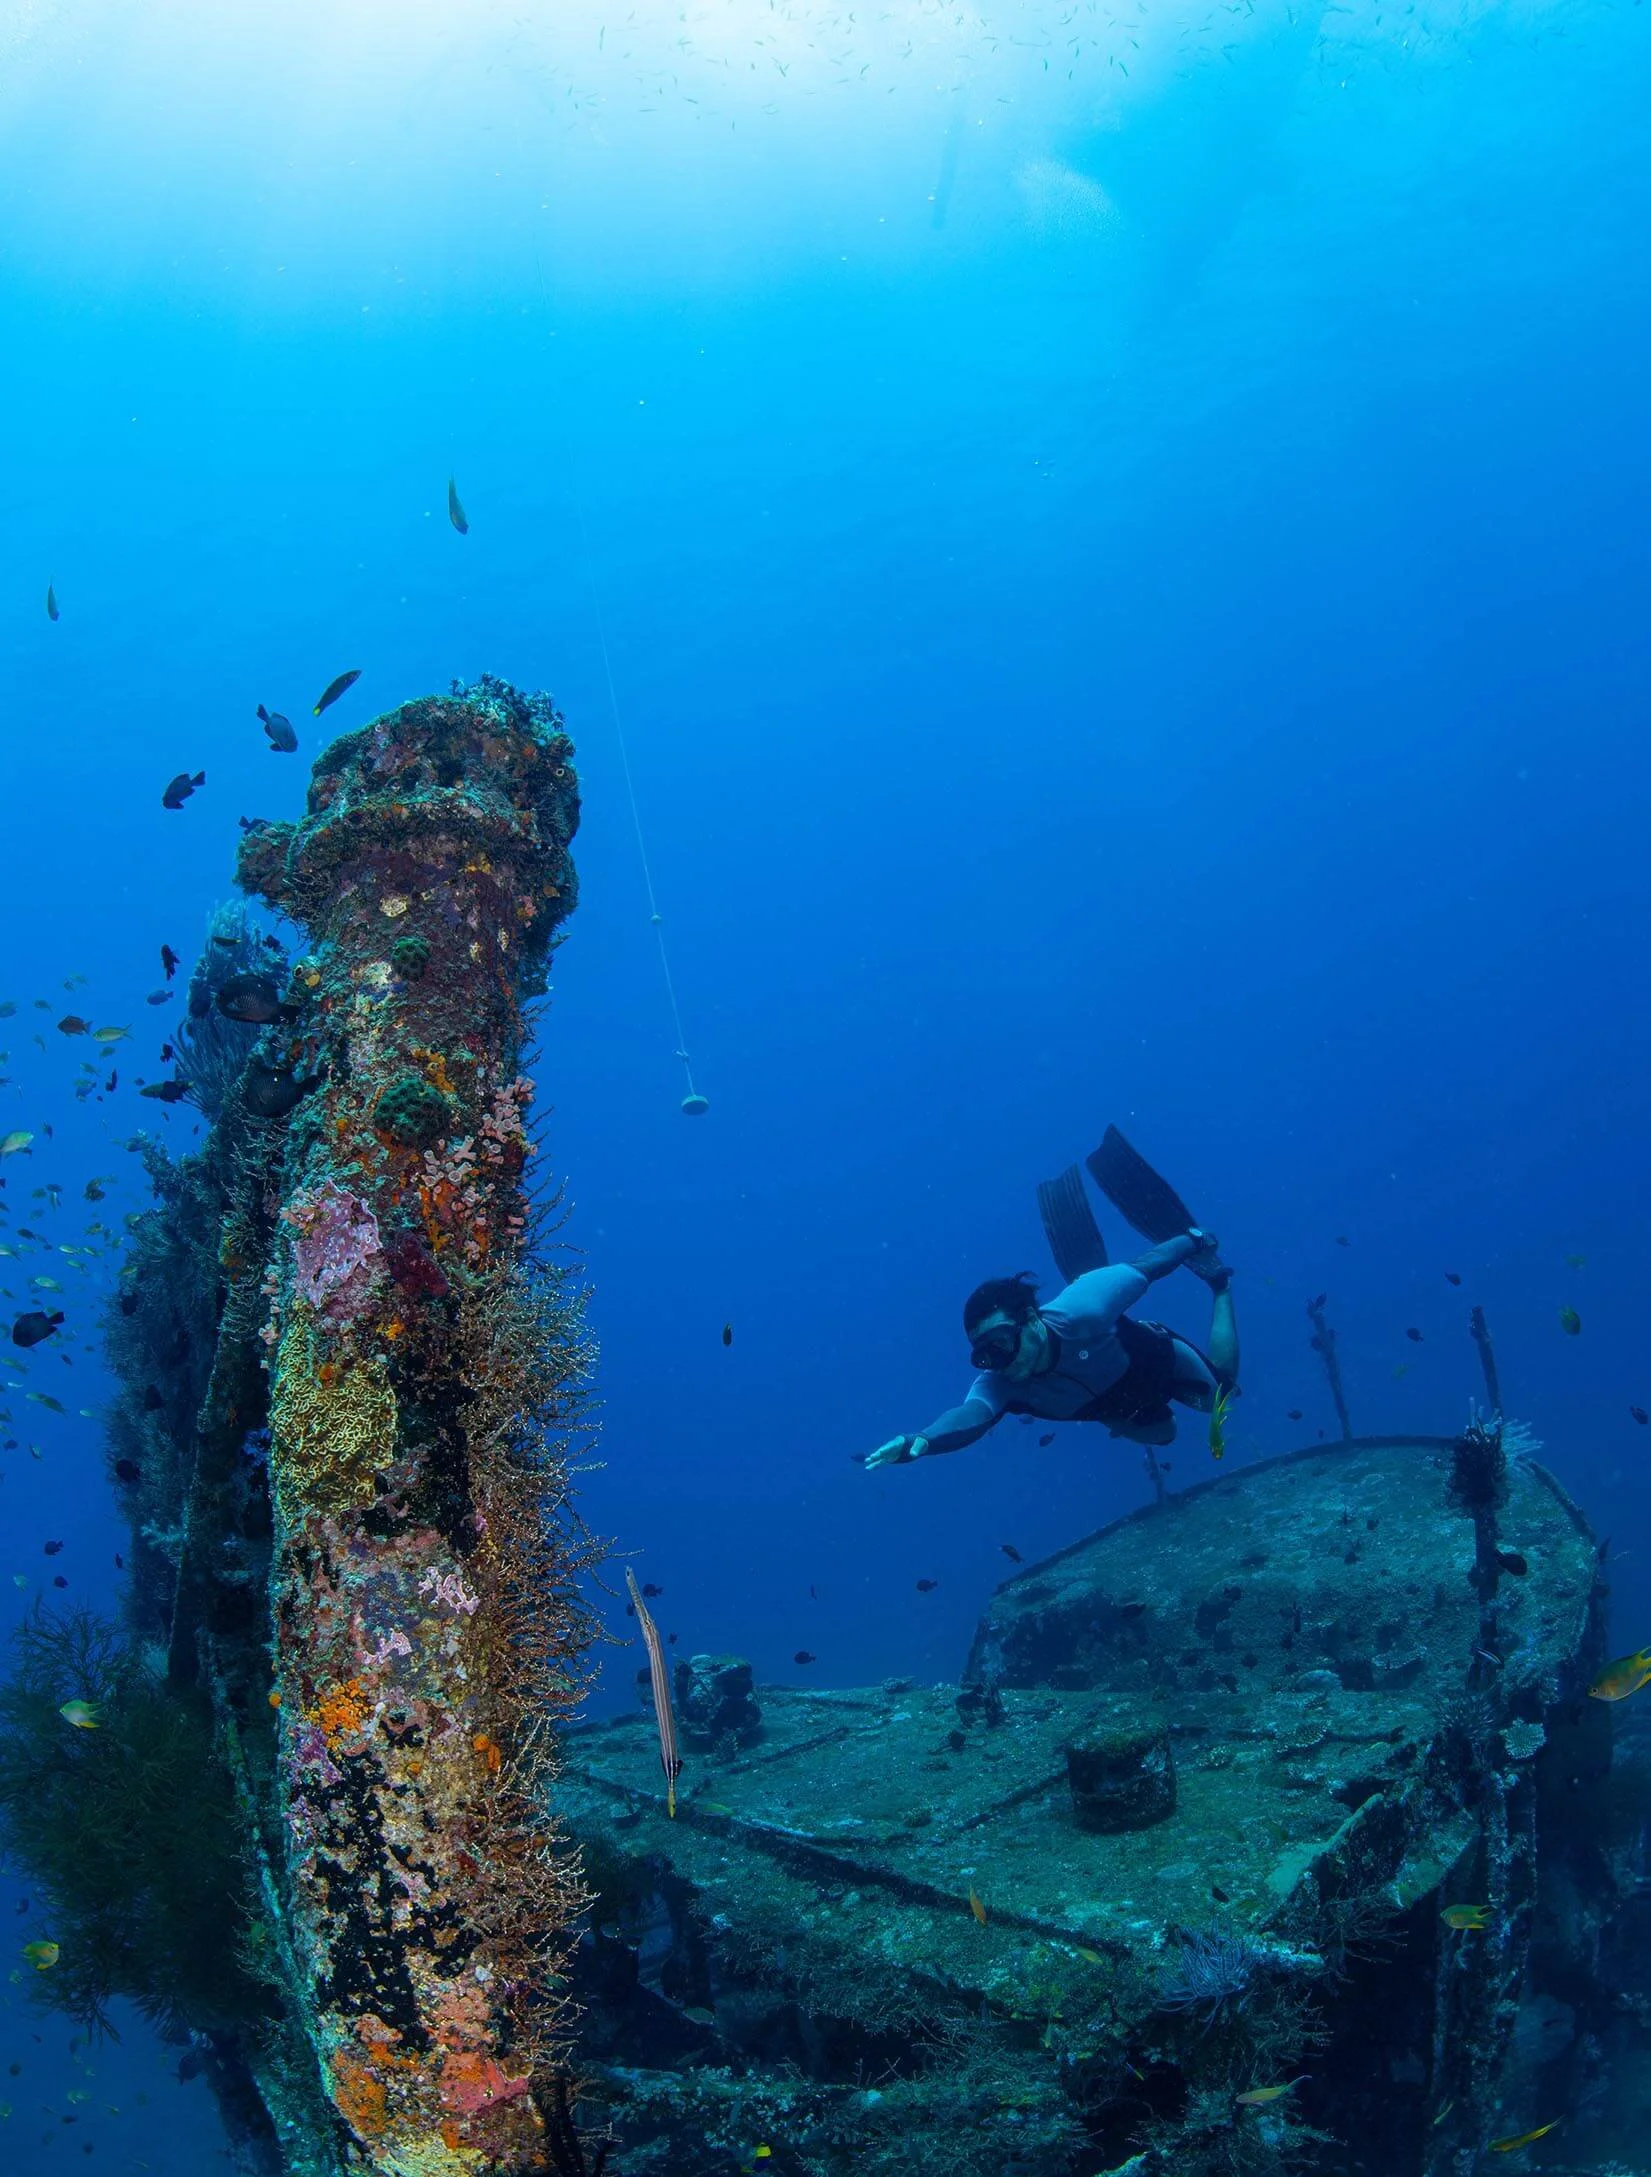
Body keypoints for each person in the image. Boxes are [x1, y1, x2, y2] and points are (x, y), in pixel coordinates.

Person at [865, 1231, 1236, 1468]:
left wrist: (1194, 1238)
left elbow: (1148, 1265)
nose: (1001, 1363)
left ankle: (1219, 1286)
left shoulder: (1084, 1306)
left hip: (1155, 1361)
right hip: (1117, 1408)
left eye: (1002, 1343)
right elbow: (968, 1416)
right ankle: (1121, 1420)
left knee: (1220, 1395)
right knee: (1165, 1436)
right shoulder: (1000, 1386)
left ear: (1030, 1318)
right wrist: (924, 1441)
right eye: (986, 1355)